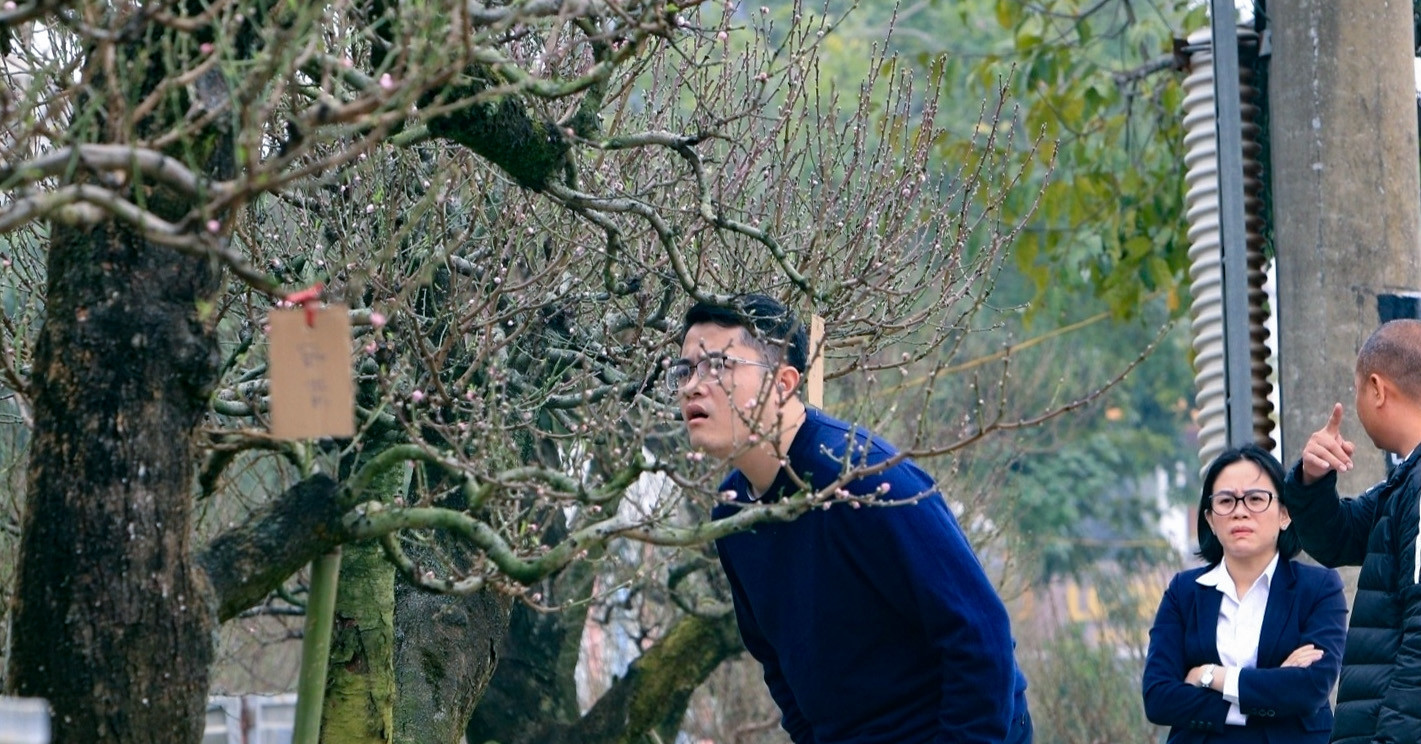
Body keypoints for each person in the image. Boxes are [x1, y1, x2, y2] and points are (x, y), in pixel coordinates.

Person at [673, 293, 1031, 744]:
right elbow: (777, 666)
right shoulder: (731, 514)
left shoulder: (862, 478)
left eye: (718, 365)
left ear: (783, 383)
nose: (693, 386)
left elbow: (981, 633)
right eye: (685, 370)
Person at [1142, 444, 1347, 743]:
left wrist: (1210, 676)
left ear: (1285, 514)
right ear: (1211, 520)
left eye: (1255, 499)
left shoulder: (1319, 588)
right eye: (1226, 501)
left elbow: (1310, 689)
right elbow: (1159, 697)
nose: (1240, 511)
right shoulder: (1183, 593)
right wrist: (1272, 688)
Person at [1281, 318, 1421, 744]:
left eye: (1358, 389)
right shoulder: (1405, 484)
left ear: (1377, 389)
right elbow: (1338, 537)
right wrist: (1312, 480)